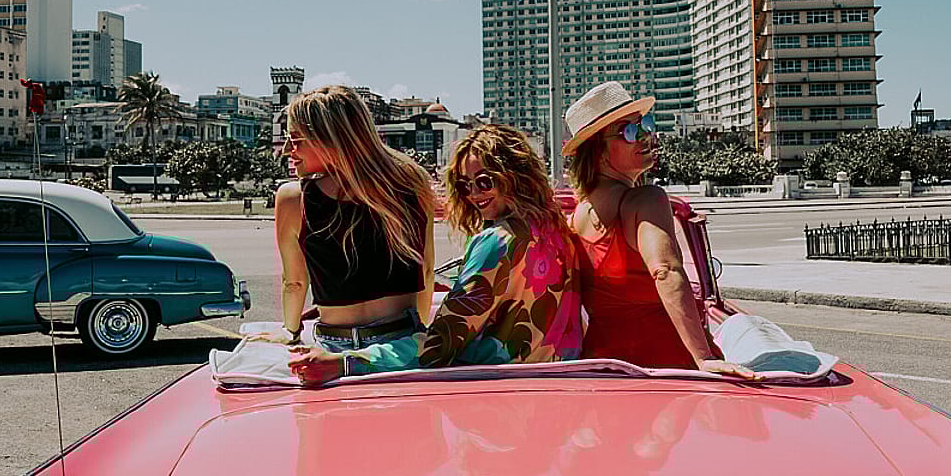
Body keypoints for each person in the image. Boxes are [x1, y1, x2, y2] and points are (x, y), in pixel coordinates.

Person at [288, 123, 582, 384]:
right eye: (464, 186)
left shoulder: (496, 243)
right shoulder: (559, 233)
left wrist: (345, 362)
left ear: (515, 175)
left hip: (499, 391)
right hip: (559, 381)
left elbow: (441, 342)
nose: (474, 194)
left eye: (484, 181)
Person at [563, 81, 755, 378]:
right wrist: (703, 357)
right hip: (667, 365)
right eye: (628, 131)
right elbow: (665, 271)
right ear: (597, 151)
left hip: (602, 368)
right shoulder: (646, 200)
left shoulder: (575, 217)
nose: (646, 136)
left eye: (645, 124)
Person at [255, 85, 436, 355]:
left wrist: (289, 331)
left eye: (295, 140)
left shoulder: (294, 198)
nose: (287, 150)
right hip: (403, 339)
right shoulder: (412, 183)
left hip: (335, 345)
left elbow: (294, 282)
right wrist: (417, 335)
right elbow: (427, 270)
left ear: (329, 139)